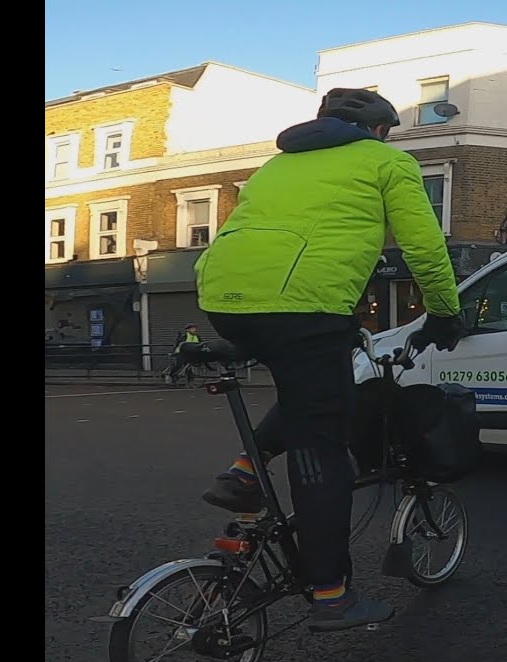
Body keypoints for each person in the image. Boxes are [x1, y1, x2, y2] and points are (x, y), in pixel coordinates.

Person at [192, 88, 466, 632]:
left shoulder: (277, 166)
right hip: (303, 309)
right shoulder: (388, 161)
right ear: (380, 129)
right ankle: (331, 593)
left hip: (224, 300)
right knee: (323, 451)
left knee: (311, 391)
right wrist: (442, 313)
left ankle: (244, 471)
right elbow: (424, 246)